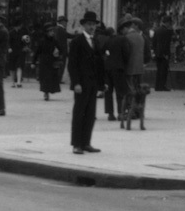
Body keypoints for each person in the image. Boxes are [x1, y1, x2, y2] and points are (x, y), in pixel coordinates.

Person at [67, 10, 103, 154]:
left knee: (90, 114)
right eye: (89, 24)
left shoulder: (96, 41)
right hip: (81, 84)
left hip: (93, 84)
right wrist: (76, 83)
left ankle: (86, 142)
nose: (91, 27)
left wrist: (102, 83)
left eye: (93, 24)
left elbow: (99, 63)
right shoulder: (77, 41)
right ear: (83, 25)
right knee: (79, 113)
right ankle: (77, 144)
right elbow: (72, 64)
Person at [102, 20, 130, 121]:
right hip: (119, 68)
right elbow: (126, 54)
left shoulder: (108, 40)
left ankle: (110, 114)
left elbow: (103, 52)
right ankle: (121, 113)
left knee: (108, 92)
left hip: (108, 69)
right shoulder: (122, 39)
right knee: (120, 92)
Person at [34, 18, 65, 101]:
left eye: (52, 31)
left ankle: (49, 91)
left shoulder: (54, 41)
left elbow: (61, 49)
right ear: (46, 32)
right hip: (44, 62)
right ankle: (46, 93)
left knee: (51, 78)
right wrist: (33, 62)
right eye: (50, 31)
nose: (52, 33)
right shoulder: (42, 41)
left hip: (52, 62)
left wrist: (58, 53)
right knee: (45, 79)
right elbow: (37, 52)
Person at [152, 16, 174, 92]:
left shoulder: (157, 30)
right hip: (164, 54)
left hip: (158, 53)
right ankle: (162, 86)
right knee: (164, 70)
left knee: (159, 70)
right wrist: (166, 54)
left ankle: (157, 86)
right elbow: (166, 44)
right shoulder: (167, 31)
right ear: (167, 22)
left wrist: (155, 51)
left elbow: (154, 42)